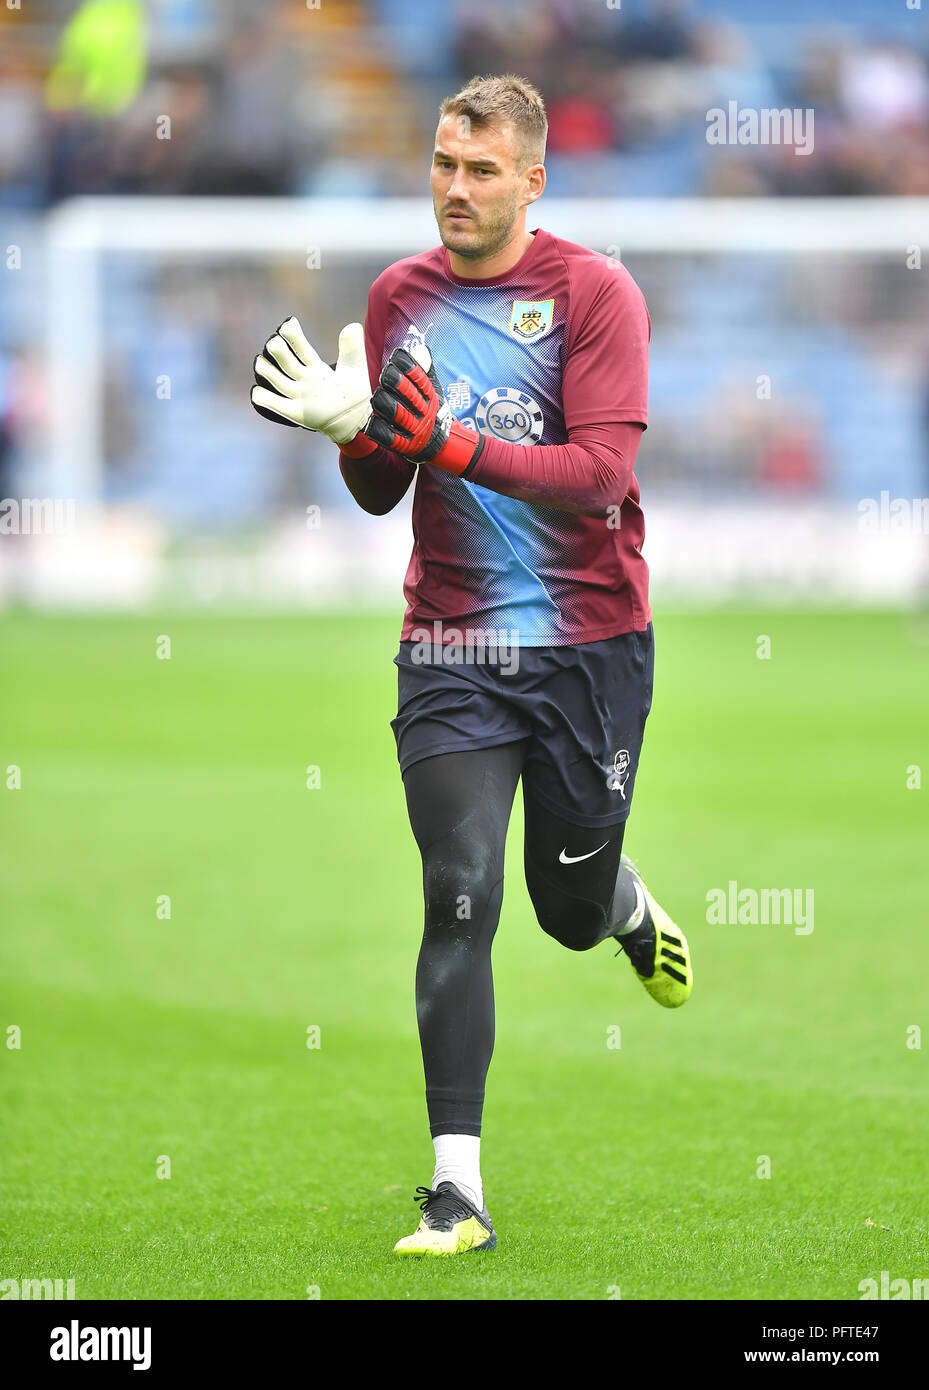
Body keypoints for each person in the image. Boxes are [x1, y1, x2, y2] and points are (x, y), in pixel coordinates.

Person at [251, 73, 693, 1258]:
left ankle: (617, 901)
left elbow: (599, 474)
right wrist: (355, 434)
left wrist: (448, 436)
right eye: (443, 164)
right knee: (460, 886)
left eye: (481, 169)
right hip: (449, 643)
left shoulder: (595, 293)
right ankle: (457, 1187)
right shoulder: (400, 295)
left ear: (530, 181)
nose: (454, 188)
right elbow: (382, 487)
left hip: (589, 650)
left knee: (559, 909)